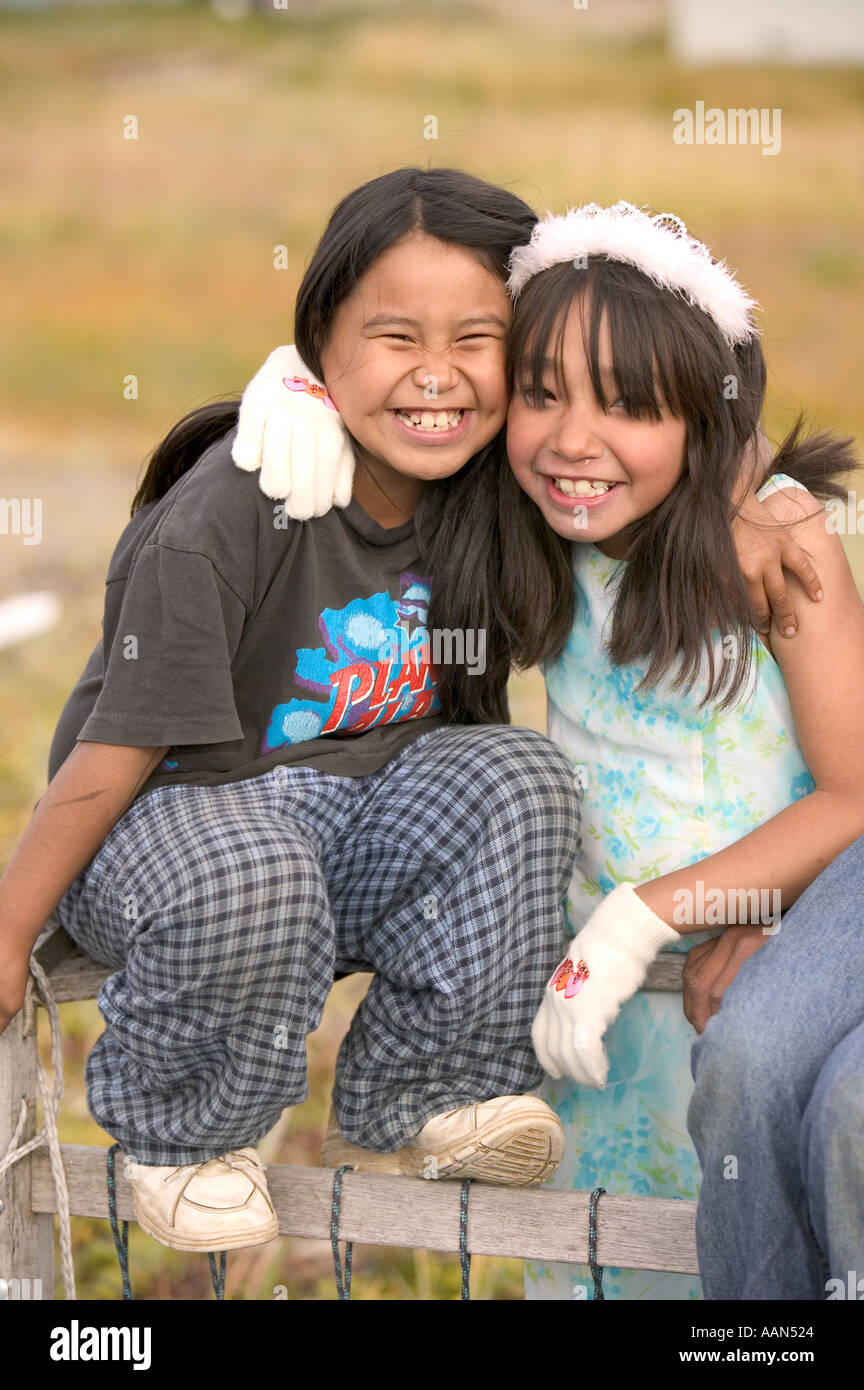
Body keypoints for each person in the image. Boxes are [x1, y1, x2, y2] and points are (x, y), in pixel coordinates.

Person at [0, 168, 585, 1256]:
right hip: (173, 832)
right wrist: (8, 925)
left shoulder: (493, 494)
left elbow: (655, 414)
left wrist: (769, 501)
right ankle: (187, 1134)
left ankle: (432, 1092)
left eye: (478, 338)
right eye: (395, 336)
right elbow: (112, 750)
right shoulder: (233, 506)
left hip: (348, 844)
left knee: (521, 773)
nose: (437, 376)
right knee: (252, 862)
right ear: (320, 339)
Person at [494, 202, 864, 1299]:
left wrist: (648, 916)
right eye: (541, 391)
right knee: (626, 1256)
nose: (572, 440)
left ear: (704, 420)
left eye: (629, 405)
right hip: (616, 1010)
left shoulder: (775, 538)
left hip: (733, 953)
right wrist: (296, 387)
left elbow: (851, 794)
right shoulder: (540, 523)